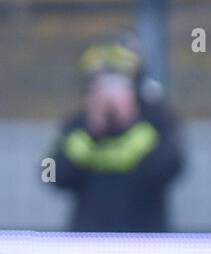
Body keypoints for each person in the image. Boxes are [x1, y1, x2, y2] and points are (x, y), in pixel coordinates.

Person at [48, 34, 184, 232]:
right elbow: (51, 176)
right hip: (88, 246)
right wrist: (92, 131)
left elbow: (171, 169)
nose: (108, 94)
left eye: (118, 84)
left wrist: (130, 123)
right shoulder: (77, 126)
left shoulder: (158, 122)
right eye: (101, 85)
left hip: (146, 245)